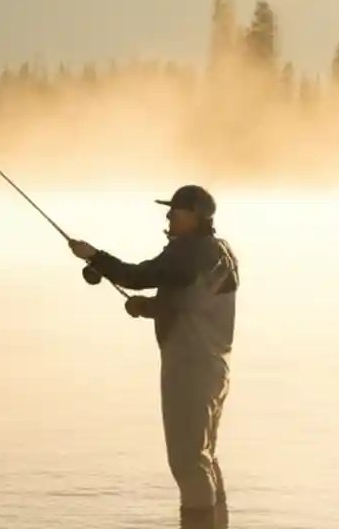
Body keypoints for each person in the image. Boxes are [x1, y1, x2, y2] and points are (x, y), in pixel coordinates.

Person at [68, 186, 239, 523]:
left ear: (196, 216)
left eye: (176, 211)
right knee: (205, 456)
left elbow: (137, 276)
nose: (169, 217)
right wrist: (149, 307)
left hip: (189, 367)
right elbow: (191, 302)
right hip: (216, 367)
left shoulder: (187, 253)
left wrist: (93, 255)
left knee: (188, 462)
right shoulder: (219, 252)